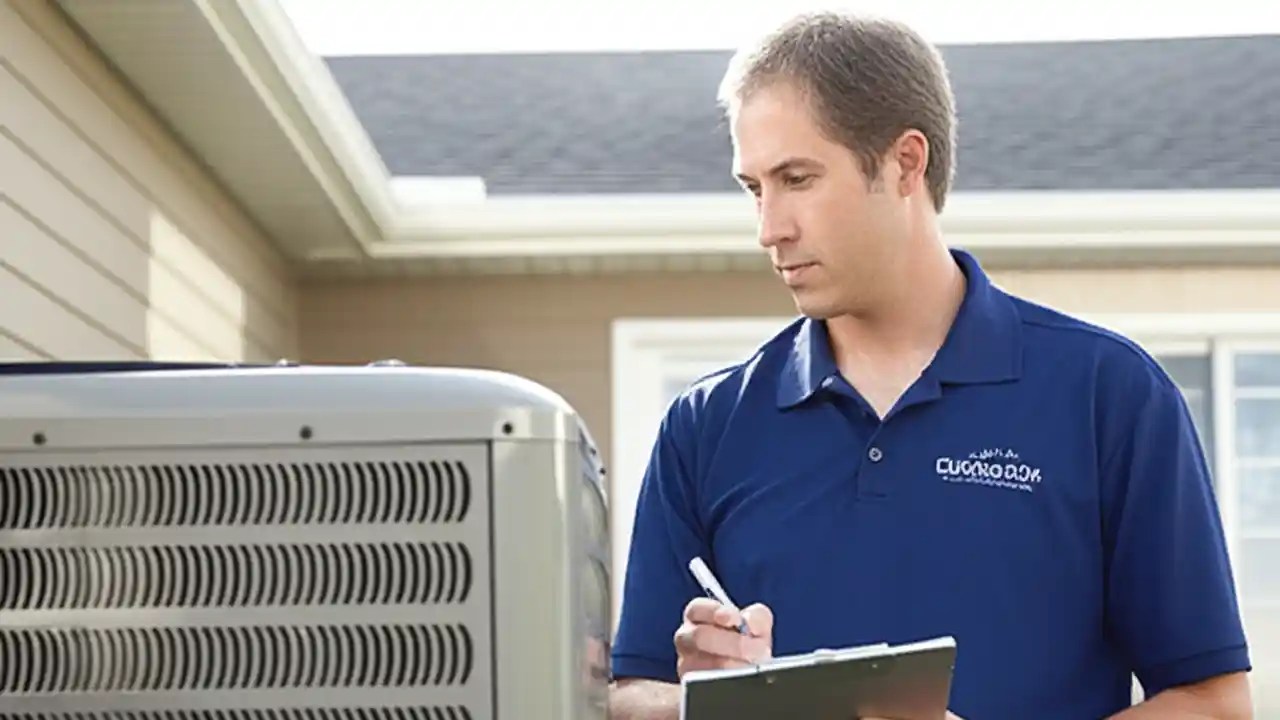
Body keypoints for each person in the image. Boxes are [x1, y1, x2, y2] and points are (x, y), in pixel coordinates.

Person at [607, 11, 1254, 720]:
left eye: (797, 179)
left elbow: (1214, 704)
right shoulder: (704, 428)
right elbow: (630, 695)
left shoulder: (1110, 395)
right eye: (754, 188)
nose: (770, 228)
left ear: (905, 163)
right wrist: (710, 701)